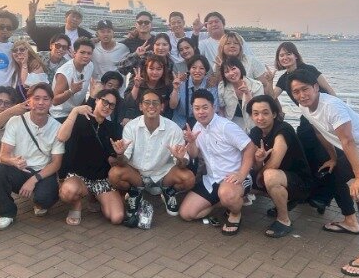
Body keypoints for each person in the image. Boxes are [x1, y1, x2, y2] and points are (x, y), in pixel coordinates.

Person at [289, 70, 359, 277]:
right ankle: (350, 222)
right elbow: (321, 132)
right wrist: (333, 158)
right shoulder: (304, 107)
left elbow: (347, 141)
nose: (302, 95)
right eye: (296, 92)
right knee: (335, 173)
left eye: (305, 89)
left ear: (316, 87)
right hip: (358, 152)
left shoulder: (332, 106)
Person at [109, 89, 195, 225]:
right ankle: (135, 192)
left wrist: (180, 158)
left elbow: (182, 163)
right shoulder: (131, 127)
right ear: (140, 106)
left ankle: (168, 191)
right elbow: (123, 161)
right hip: (137, 174)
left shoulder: (173, 129)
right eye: (147, 102)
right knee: (114, 174)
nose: (151, 106)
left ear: (162, 106)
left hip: (163, 174)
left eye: (155, 103)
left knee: (189, 178)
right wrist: (120, 154)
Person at [179, 89, 256, 235]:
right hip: (212, 179)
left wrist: (241, 174)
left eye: (205, 107)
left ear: (213, 107)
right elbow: (194, 154)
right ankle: (225, 202)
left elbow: (249, 147)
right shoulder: (197, 127)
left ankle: (235, 213)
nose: (201, 112)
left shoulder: (226, 126)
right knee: (187, 214)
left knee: (227, 193)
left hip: (234, 177)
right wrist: (192, 142)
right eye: (197, 108)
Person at [0, 83, 64, 230]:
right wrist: (12, 161)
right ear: (28, 100)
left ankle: (39, 201)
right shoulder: (15, 121)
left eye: (45, 99)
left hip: (42, 172)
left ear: (51, 102)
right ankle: (7, 213)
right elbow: (3, 156)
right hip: (19, 169)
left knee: (44, 199)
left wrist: (33, 180)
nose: (41, 103)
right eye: (36, 98)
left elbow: (56, 163)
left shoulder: (57, 127)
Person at [274, 41, 336, 208]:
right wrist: (267, 83)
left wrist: (337, 110)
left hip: (324, 113)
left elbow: (329, 89)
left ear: (295, 55)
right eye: (281, 55)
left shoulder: (309, 69)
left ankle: (323, 197)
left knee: (325, 153)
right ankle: (307, 191)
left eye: (288, 53)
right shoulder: (283, 78)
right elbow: (271, 96)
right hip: (307, 116)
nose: (285, 57)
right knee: (302, 151)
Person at [247, 95, 314, 237]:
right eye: (256, 113)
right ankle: (284, 200)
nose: (260, 118)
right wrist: (258, 161)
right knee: (244, 179)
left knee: (269, 175)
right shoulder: (255, 132)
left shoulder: (283, 129)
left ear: (274, 114)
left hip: (300, 182)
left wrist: (259, 177)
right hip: (280, 177)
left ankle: (284, 220)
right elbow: (256, 167)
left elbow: (274, 163)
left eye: (265, 113)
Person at [57, 89, 124, 226]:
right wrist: (75, 111)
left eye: (112, 105)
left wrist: (120, 154)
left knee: (117, 217)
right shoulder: (80, 119)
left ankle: (96, 197)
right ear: (97, 100)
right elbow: (61, 137)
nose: (107, 107)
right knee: (68, 192)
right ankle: (76, 205)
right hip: (78, 175)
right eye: (105, 102)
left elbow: (117, 162)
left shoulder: (114, 128)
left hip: (101, 179)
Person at [26, 0, 92, 51]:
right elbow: (32, 31)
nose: (75, 19)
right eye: (73, 16)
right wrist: (31, 14)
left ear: (81, 21)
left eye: (78, 18)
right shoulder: (52, 32)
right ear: (66, 17)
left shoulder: (86, 35)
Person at [51, 38, 95, 121]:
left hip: (78, 111)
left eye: (89, 53)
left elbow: (82, 93)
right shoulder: (64, 72)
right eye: (82, 52)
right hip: (60, 114)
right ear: (74, 53)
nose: (86, 56)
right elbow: (55, 101)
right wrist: (71, 91)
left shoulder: (90, 66)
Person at [170, 55, 218, 128]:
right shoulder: (181, 83)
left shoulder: (211, 85)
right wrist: (175, 89)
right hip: (180, 123)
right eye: (194, 68)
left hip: (203, 123)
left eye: (201, 68)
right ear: (189, 69)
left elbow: (214, 109)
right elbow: (172, 106)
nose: (197, 71)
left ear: (206, 71)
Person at [218, 57, 264, 132]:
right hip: (232, 124)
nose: (231, 73)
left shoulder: (256, 86)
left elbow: (259, 109)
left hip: (253, 123)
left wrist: (247, 93)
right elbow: (221, 108)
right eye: (226, 71)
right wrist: (223, 127)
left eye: (233, 69)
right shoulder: (222, 86)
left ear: (240, 68)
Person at [123, 54, 173, 121]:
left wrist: (175, 89)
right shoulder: (137, 79)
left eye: (159, 69)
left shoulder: (167, 84)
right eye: (151, 69)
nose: (155, 72)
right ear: (146, 69)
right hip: (136, 118)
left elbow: (172, 106)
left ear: (163, 70)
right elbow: (128, 103)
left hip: (160, 119)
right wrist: (136, 86)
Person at [92, 19, 129, 92]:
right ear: (97, 33)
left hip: (118, 91)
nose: (106, 34)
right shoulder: (93, 48)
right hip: (99, 91)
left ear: (113, 33)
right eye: (102, 31)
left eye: (109, 31)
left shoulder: (123, 48)